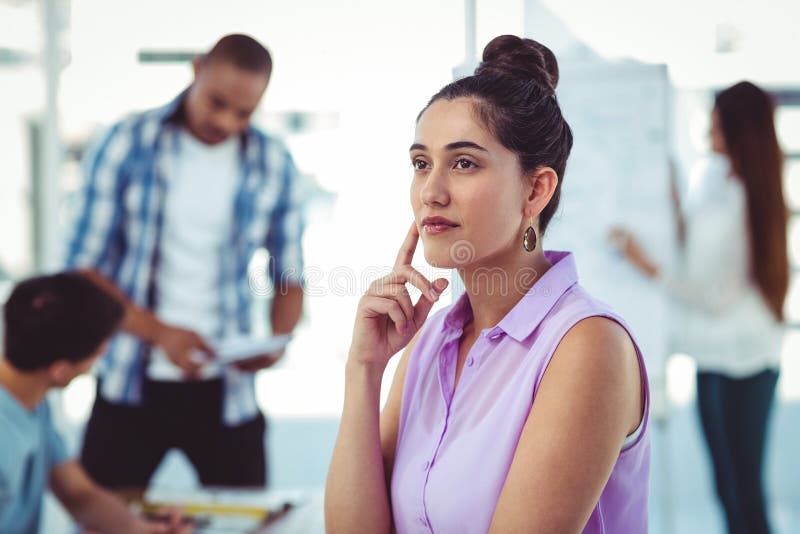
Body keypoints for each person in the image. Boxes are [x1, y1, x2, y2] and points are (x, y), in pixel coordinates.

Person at [325, 35, 650, 533]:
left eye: (463, 163)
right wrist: (363, 370)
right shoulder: (427, 345)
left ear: (536, 189)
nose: (430, 192)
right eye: (420, 164)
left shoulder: (587, 347)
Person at [63, 34, 306, 490]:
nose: (226, 121)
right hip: (129, 385)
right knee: (103, 520)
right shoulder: (126, 142)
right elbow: (81, 270)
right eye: (217, 103)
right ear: (197, 70)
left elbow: (289, 274)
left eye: (244, 112)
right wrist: (163, 336)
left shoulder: (274, 161)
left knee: (249, 523)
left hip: (228, 392)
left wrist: (275, 340)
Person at [611, 81, 787, 534]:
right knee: (726, 487)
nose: (709, 125)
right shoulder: (714, 179)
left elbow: (717, 296)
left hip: (747, 359)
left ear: (739, 128)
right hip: (710, 355)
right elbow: (696, 248)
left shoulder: (751, 196)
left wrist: (648, 268)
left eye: (718, 118)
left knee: (744, 488)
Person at [0, 272, 189, 533]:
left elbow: (79, 493)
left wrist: (145, 529)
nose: (95, 364)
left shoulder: (32, 401)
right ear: (61, 370)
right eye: (96, 356)